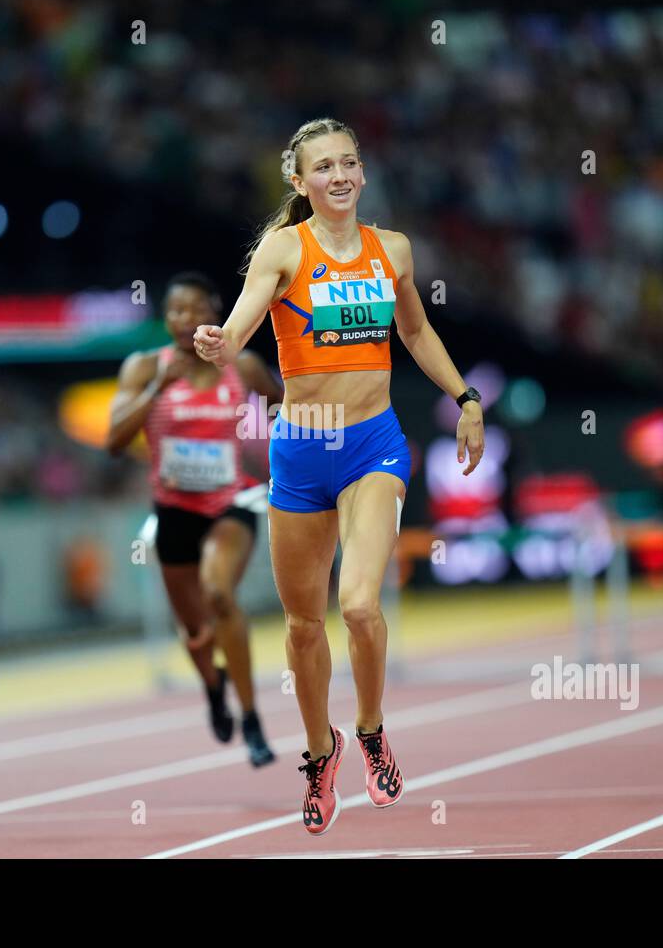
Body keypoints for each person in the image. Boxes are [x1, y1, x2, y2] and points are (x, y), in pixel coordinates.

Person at [194, 119, 485, 835]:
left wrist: (467, 398)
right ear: (300, 182)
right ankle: (320, 752)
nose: (341, 175)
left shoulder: (395, 251)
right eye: (324, 166)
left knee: (358, 605)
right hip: (300, 448)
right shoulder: (284, 248)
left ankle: (371, 729)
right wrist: (220, 342)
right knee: (301, 625)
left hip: (373, 447)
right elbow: (241, 324)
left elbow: (415, 332)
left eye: (349, 162)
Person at [109, 271, 283, 767]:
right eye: (174, 310)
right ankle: (213, 686)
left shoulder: (242, 366)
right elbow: (114, 441)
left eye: (195, 310)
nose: (184, 319)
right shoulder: (144, 367)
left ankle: (251, 718)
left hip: (231, 503)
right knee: (194, 630)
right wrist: (155, 391)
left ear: (215, 314)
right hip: (174, 511)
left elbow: (290, 413)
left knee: (219, 594)